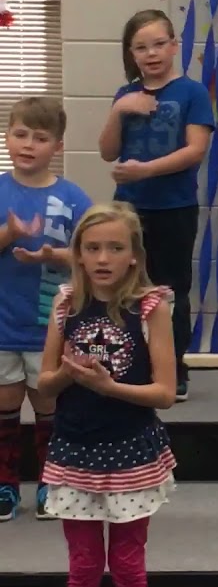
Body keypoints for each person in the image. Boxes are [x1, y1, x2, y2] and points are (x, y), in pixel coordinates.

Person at [37, 202, 179, 587]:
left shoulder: (151, 307)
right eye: (93, 247)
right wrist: (68, 373)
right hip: (74, 450)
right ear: (78, 254)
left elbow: (165, 393)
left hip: (129, 450)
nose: (103, 258)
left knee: (128, 565)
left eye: (116, 248)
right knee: (82, 566)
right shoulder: (66, 303)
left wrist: (108, 387)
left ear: (134, 256)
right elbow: (44, 386)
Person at [97, 9, 215, 402]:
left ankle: (173, 370)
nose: (151, 54)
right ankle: (128, 364)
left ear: (174, 46)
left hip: (174, 208)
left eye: (159, 44)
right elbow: (107, 151)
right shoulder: (125, 94)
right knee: (122, 287)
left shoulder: (192, 93)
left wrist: (146, 171)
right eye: (141, 47)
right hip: (128, 209)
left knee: (170, 291)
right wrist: (119, 110)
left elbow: (195, 150)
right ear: (131, 53)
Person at [0, 97, 92, 521]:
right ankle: (5, 485)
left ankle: (50, 483)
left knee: (47, 409)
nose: (28, 144)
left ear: (57, 145)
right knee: (4, 406)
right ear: (7, 136)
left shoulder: (73, 197)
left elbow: (94, 256)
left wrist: (58, 257)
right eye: (21, 134)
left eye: (40, 138)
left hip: (49, 328)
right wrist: (9, 234)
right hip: (2, 326)